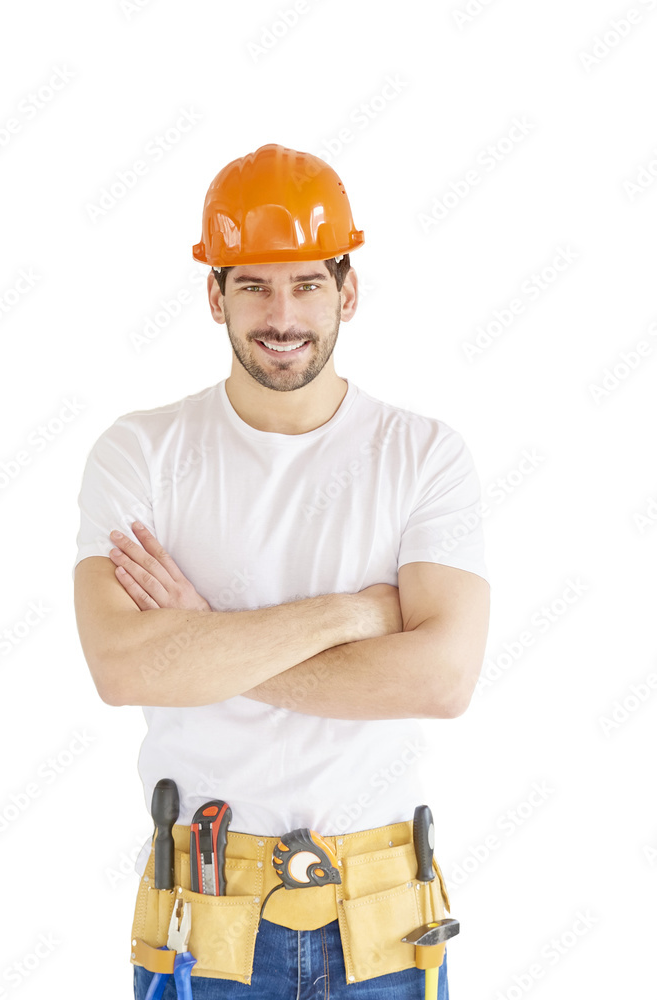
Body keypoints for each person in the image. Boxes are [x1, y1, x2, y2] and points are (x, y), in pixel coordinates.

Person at [73, 143, 490, 999]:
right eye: (253, 284)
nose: (282, 313)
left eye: (305, 283)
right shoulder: (140, 454)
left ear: (349, 289)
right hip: (205, 915)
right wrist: (354, 614)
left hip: (384, 919)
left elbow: (443, 679)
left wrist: (203, 642)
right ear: (215, 295)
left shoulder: (422, 455)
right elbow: (123, 668)